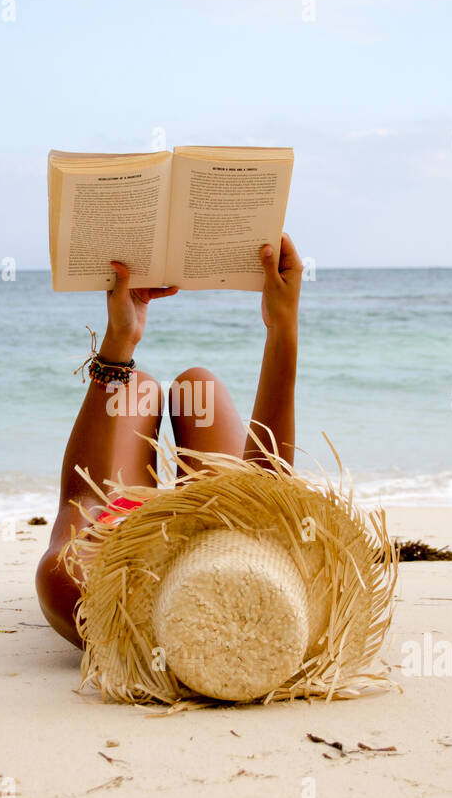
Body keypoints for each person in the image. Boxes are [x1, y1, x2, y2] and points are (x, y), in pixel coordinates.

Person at [36, 234, 305, 647]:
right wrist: (282, 327)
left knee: (144, 390)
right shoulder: (243, 557)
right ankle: (129, 366)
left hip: (131, 528)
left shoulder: (81, 595)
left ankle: (126, 362)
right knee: (197, 387)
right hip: (210, 522)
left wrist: (120, 342)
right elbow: (264, 495)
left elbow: (83, 499)